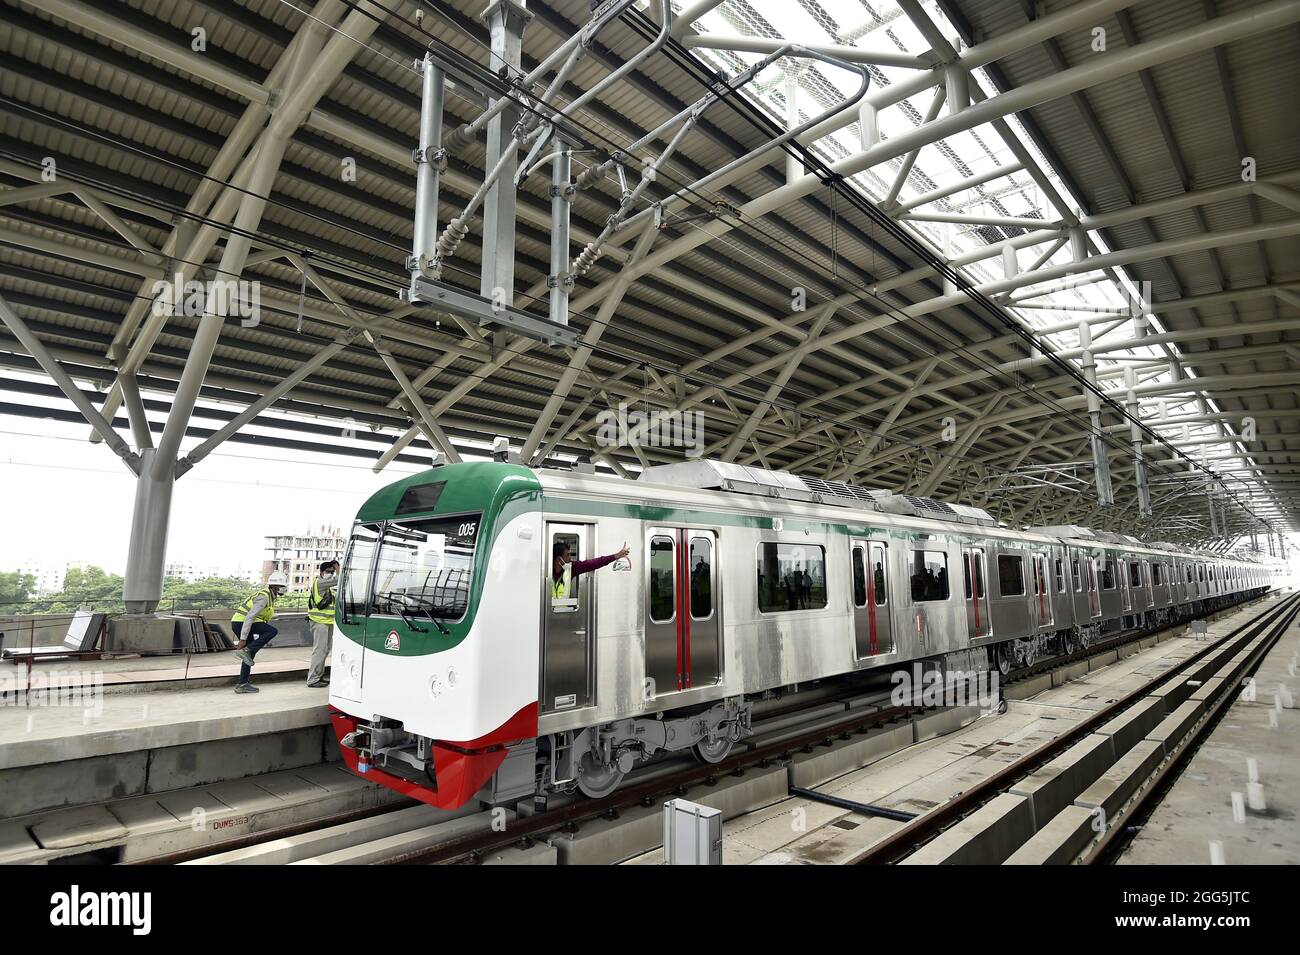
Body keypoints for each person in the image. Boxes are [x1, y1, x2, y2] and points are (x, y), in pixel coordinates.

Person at [231, 572, 289, 693]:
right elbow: (249, 617)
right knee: (272, 631)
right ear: (274, 586)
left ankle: (242, 684)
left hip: (245, 623)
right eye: (280, 586)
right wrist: (243, 639)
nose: (282, 589)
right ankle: (246, 651)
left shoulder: (270, 596)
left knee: (249, 657)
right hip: (241, 623)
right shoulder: (263, 597)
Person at [552, 540, 630, 599]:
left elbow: (593, 563)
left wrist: (616, 556)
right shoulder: (545, 571)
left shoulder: (572, 568)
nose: (570, 558)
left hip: (563, 614)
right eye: (567, 555)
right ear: (559, 559)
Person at [306, 560, 339, 688]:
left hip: (327, 622)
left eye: (332, 571)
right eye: (328, 572)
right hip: (319, 622)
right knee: (319, 651)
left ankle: (318, 676)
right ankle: (313, 679)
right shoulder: (319, 583)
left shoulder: (327, 588)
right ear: (321, 572)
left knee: (324, 651)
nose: (330, 574)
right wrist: (337, 568)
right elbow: (339, 579)